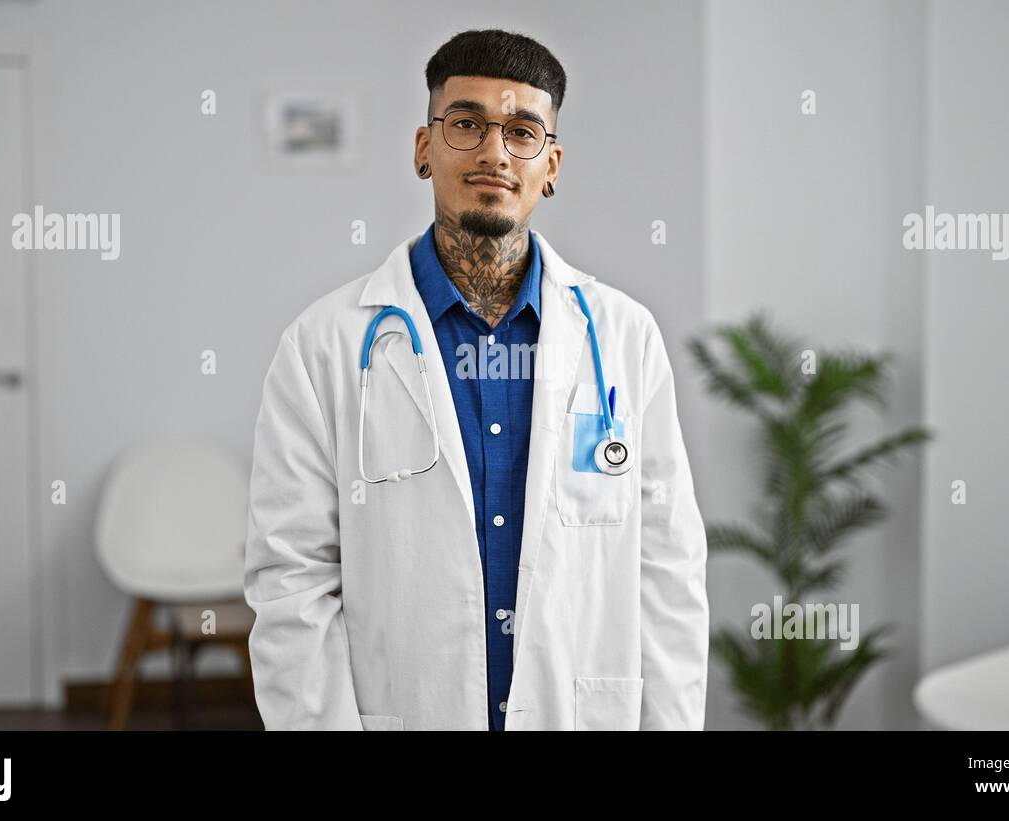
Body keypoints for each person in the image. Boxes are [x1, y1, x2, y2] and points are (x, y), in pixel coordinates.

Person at [243, 28, 708, 730]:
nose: (494, 151)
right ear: (423, 149)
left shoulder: (624, 339)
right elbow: (293, 581)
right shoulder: (322, 347)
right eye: (466, 124)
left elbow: (668, 570)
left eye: (522, 131)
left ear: (551, 165)